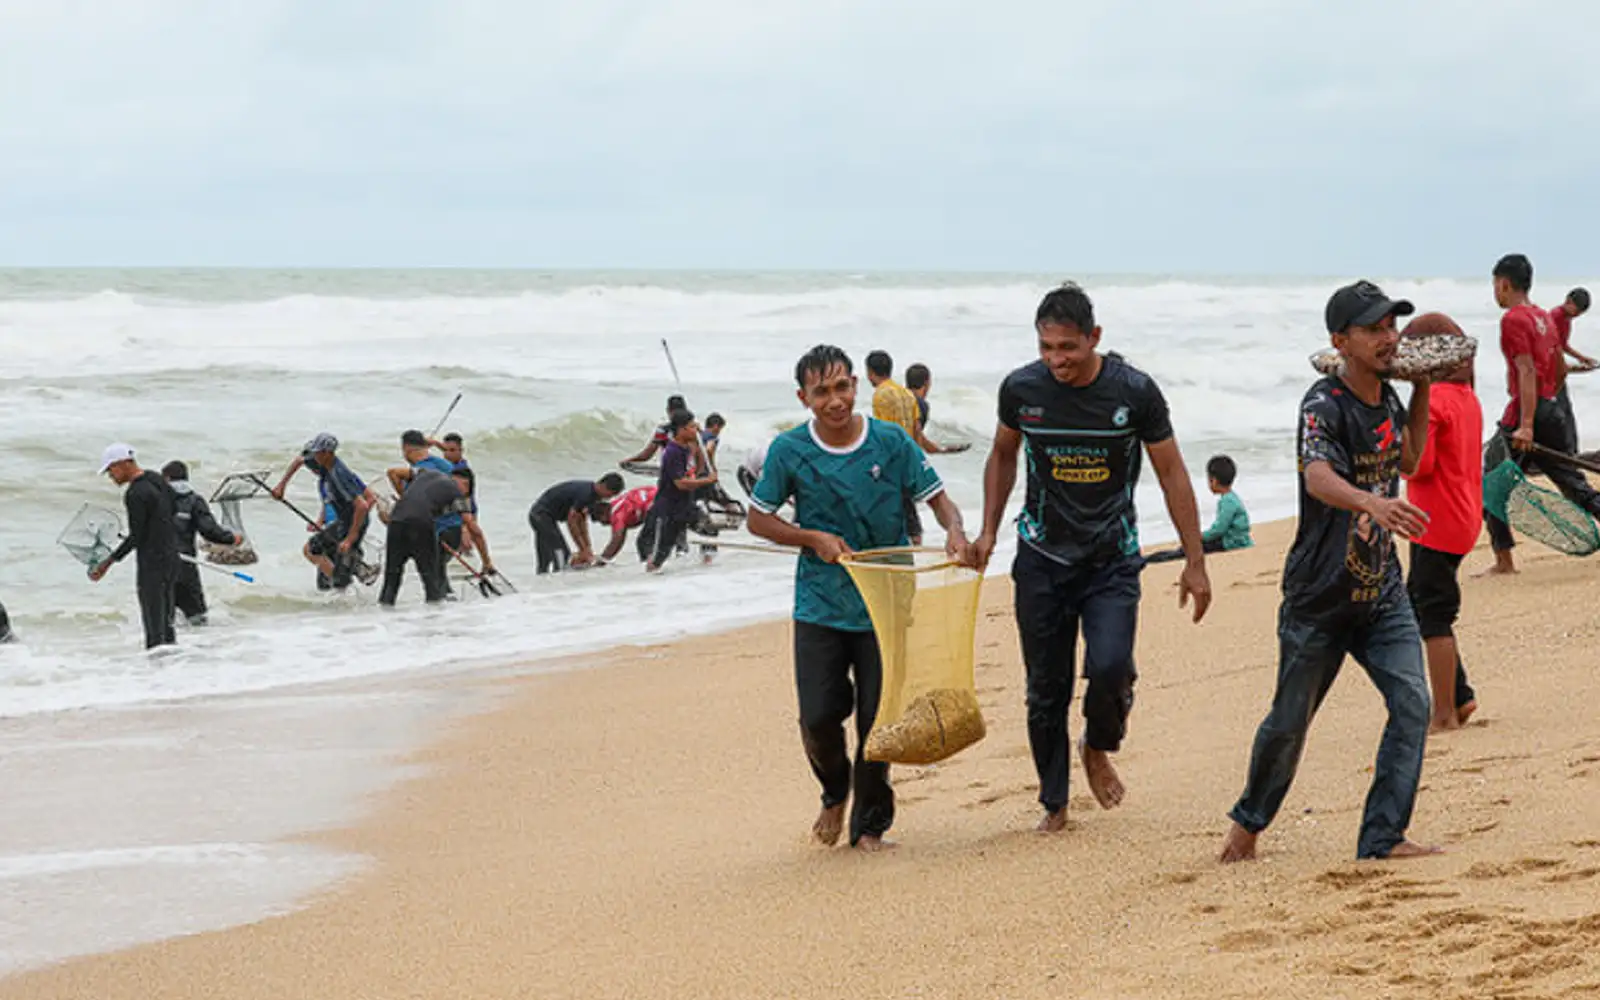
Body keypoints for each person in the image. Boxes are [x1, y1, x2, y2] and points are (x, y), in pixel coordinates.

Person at [966, 282, 1212, 833]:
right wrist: (986, 532)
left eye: (1068, 348)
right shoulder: (1021, 389)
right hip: (1041, 556)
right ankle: (1054, 804)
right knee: (1044, 688)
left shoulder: (1134, 392)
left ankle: (1098, 745)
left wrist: (1195, 560)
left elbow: (1172, 472)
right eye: (1046, 348)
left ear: (1094, 338)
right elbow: (1003, 455)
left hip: (1112, 559)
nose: (1057, 361)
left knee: (1110, 667)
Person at [1219, 279, 1438, 863]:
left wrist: (1420, 390)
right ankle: (1247, 826)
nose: (1389, 337)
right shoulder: (1323, 404)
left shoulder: (1388, 398)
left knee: (1413, 703)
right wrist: (1371, 501)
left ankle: (1382, 838)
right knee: (1289, 721)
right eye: (1375, 329)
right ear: (1341, 340)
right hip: (1319, 595)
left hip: (1380, 593)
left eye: (1392, 326)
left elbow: (1411, 459)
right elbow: (1317, 475)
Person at [747, 344, 969, 851]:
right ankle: (833, 790)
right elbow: (759, 518)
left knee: (878, 720)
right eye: (821, 391)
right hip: (821, 605)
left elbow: (939, 502)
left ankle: (870, 826)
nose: (835, 400)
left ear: (856, 385)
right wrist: (812, 538)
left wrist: (955, 531)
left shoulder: (891, 443)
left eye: (842, 386)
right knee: (819, 717)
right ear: (803, 397)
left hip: (887, 603)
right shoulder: (789, 450)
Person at [1481, 255, 1600, 576]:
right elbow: (1557, 367)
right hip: (1551, 407)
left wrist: (1528, 424)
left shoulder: (1513, 320)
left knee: (1492, 482)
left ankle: (1504, 562)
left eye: (1495, 285)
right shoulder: (1545, 318)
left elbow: (1526, 370)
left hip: (1524, 412)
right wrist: (1548, 404)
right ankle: (1503, 559)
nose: (1495, 291)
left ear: (1504, 284)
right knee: (1572, 482)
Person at [1399, 312, 1483, 733]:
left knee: (1433, 614)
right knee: (1422, 602)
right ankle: (1461, 695)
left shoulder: (1432, 403)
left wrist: (1399, 442)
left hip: (1437, 522)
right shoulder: (1465, 394)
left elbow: (1420, 466)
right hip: (1464, 516)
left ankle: (1445, 712)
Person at [90, 443, 182, 650]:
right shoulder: (156, 478)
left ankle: (158, 673)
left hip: (152, 564)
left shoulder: (135, 494)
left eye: (110, 470)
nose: (111, 477)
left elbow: (137, 537)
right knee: (167, 622)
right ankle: (174, 669)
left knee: (153, 626)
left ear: (123, 464)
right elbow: (174, 507)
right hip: (171, 558)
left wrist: (108, 562)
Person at [270, 433, 378, 590]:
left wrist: (351, 537)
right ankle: (352, 574)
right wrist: (281, 486)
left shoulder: (339, 474)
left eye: (317, 454)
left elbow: (362, 505)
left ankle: (352, 578)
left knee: (337, 574)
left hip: (351, 523)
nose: (314, 460)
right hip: (342, 522)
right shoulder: (325, 469)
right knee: (314, 549)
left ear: (328, 453)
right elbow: (300, 460)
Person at [867, 350, 942, 546]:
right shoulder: (907, 395)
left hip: (890, 462)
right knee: (909, 510)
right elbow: (917, 430)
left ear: (869, 372)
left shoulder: (880, 395)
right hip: (908, 459)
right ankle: (916, 546)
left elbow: (882, 432)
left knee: (891, 510)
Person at [161, 460, 243, 625]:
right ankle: (199, 648)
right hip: (185, 568)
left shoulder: (156, 499)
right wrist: (232, 539)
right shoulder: (194, 500)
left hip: (159, 567)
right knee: (196, 617)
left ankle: (165, 649)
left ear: (166, 478)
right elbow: (210, 530)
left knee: (163, 620)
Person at [379, 467, 475, 606]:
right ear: (465, 485)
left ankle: (384, 617)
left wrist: (403, 496)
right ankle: (433, 620)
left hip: (397, 521)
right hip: (421, 525)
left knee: (391, 578)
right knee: (430, 579)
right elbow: (473, 527)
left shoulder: (426, 473)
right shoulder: (457, 493)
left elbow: (394, 472)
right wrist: (487, 562)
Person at [387, 429, 462, 595]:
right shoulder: (447, 466)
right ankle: (450, 610)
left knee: (433, 577)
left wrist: (401, 498)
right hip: (456, 528)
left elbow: (412, 506)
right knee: (439, 575)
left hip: (434, 530)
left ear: (406, 449)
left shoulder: (417, 475)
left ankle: (443, 610)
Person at [645, 410, 721, 572]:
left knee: (709, 527)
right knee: (661, 553)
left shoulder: (688, 447)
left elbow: (697, 468)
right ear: (681, 430)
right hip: (669, 509)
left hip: (685, 504)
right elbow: (680, 483)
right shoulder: (672, 452)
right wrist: (707, 480)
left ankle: (708, 566)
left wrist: (701, 457)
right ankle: (648, 580)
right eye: (692, 427)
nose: (697, 430)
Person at [1146, 455, 1253, 563]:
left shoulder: (1227, 501)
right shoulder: (1232, 498)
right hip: (1237, 540)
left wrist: (1199, 537)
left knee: (1186, 550)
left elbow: (1219, 529)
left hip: (1231, 543)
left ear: (1214, 481)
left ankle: (1150, 559)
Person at [528, 472, 625, 573]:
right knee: (561, 554)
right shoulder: (586, 494)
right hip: (541, 516)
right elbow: (571, 522)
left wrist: (587, 548)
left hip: (543, 517)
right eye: (610, 494)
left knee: (545, 559)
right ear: (604, 486)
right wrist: (582, 549)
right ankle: (560, 580)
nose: (609, 498)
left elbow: (582, 521)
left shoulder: (592, 495)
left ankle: (545, 584)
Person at [1550, 287, 1595, 450]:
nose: (1575, 317)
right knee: (1560, 413)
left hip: (1557, 372)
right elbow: (1550, 348)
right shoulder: (1555, 316)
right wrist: (1568, 367)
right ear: (1568, 302)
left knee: (1565, 412)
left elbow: (1562, 345)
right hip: (1550, 374)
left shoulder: (1566, 319)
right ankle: (1566, 450)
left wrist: (1581, 358)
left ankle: (1571, 450)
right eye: (1575, 312)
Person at [590, 484, 658, 563]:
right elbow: (620, 539)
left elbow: (616, 540)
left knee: (644, 542)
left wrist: (601, 561)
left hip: (656, 505)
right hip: (661, 496)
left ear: (603, 513)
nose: (603, 524)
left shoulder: (616, 514)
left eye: (600, 520)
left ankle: (652, 568)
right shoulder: (618, 503)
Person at [622, 395, 689, 465]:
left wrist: (628, 461)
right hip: (691, 470)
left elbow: (646, 455)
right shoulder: (693, 429)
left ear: (668, 410)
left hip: (669, 469)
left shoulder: (663, 430)